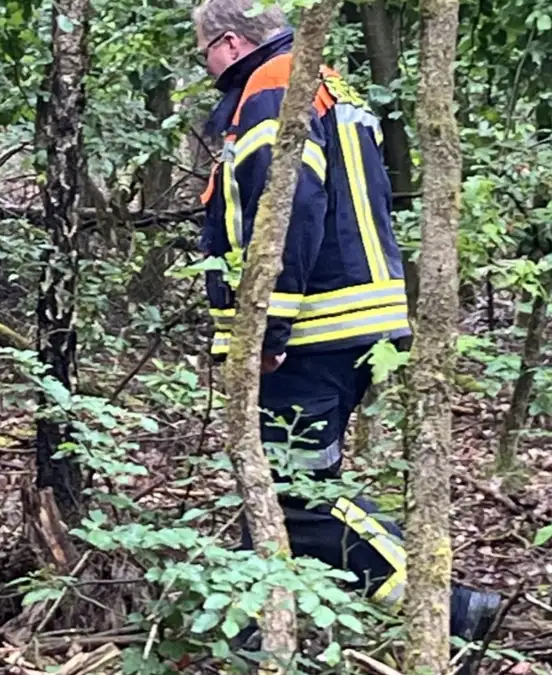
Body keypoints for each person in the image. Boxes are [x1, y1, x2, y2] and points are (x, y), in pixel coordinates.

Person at [190, 0, 500, 647]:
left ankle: (446, 611)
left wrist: (268, 330)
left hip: (312, 331)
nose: (205, 67)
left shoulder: (273, 88)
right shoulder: (325, 80)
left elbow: (288, 209)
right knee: (279, 485)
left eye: (203, 52)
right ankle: (254, 631)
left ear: (225, 41)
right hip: (351, 323)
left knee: (297, 495)